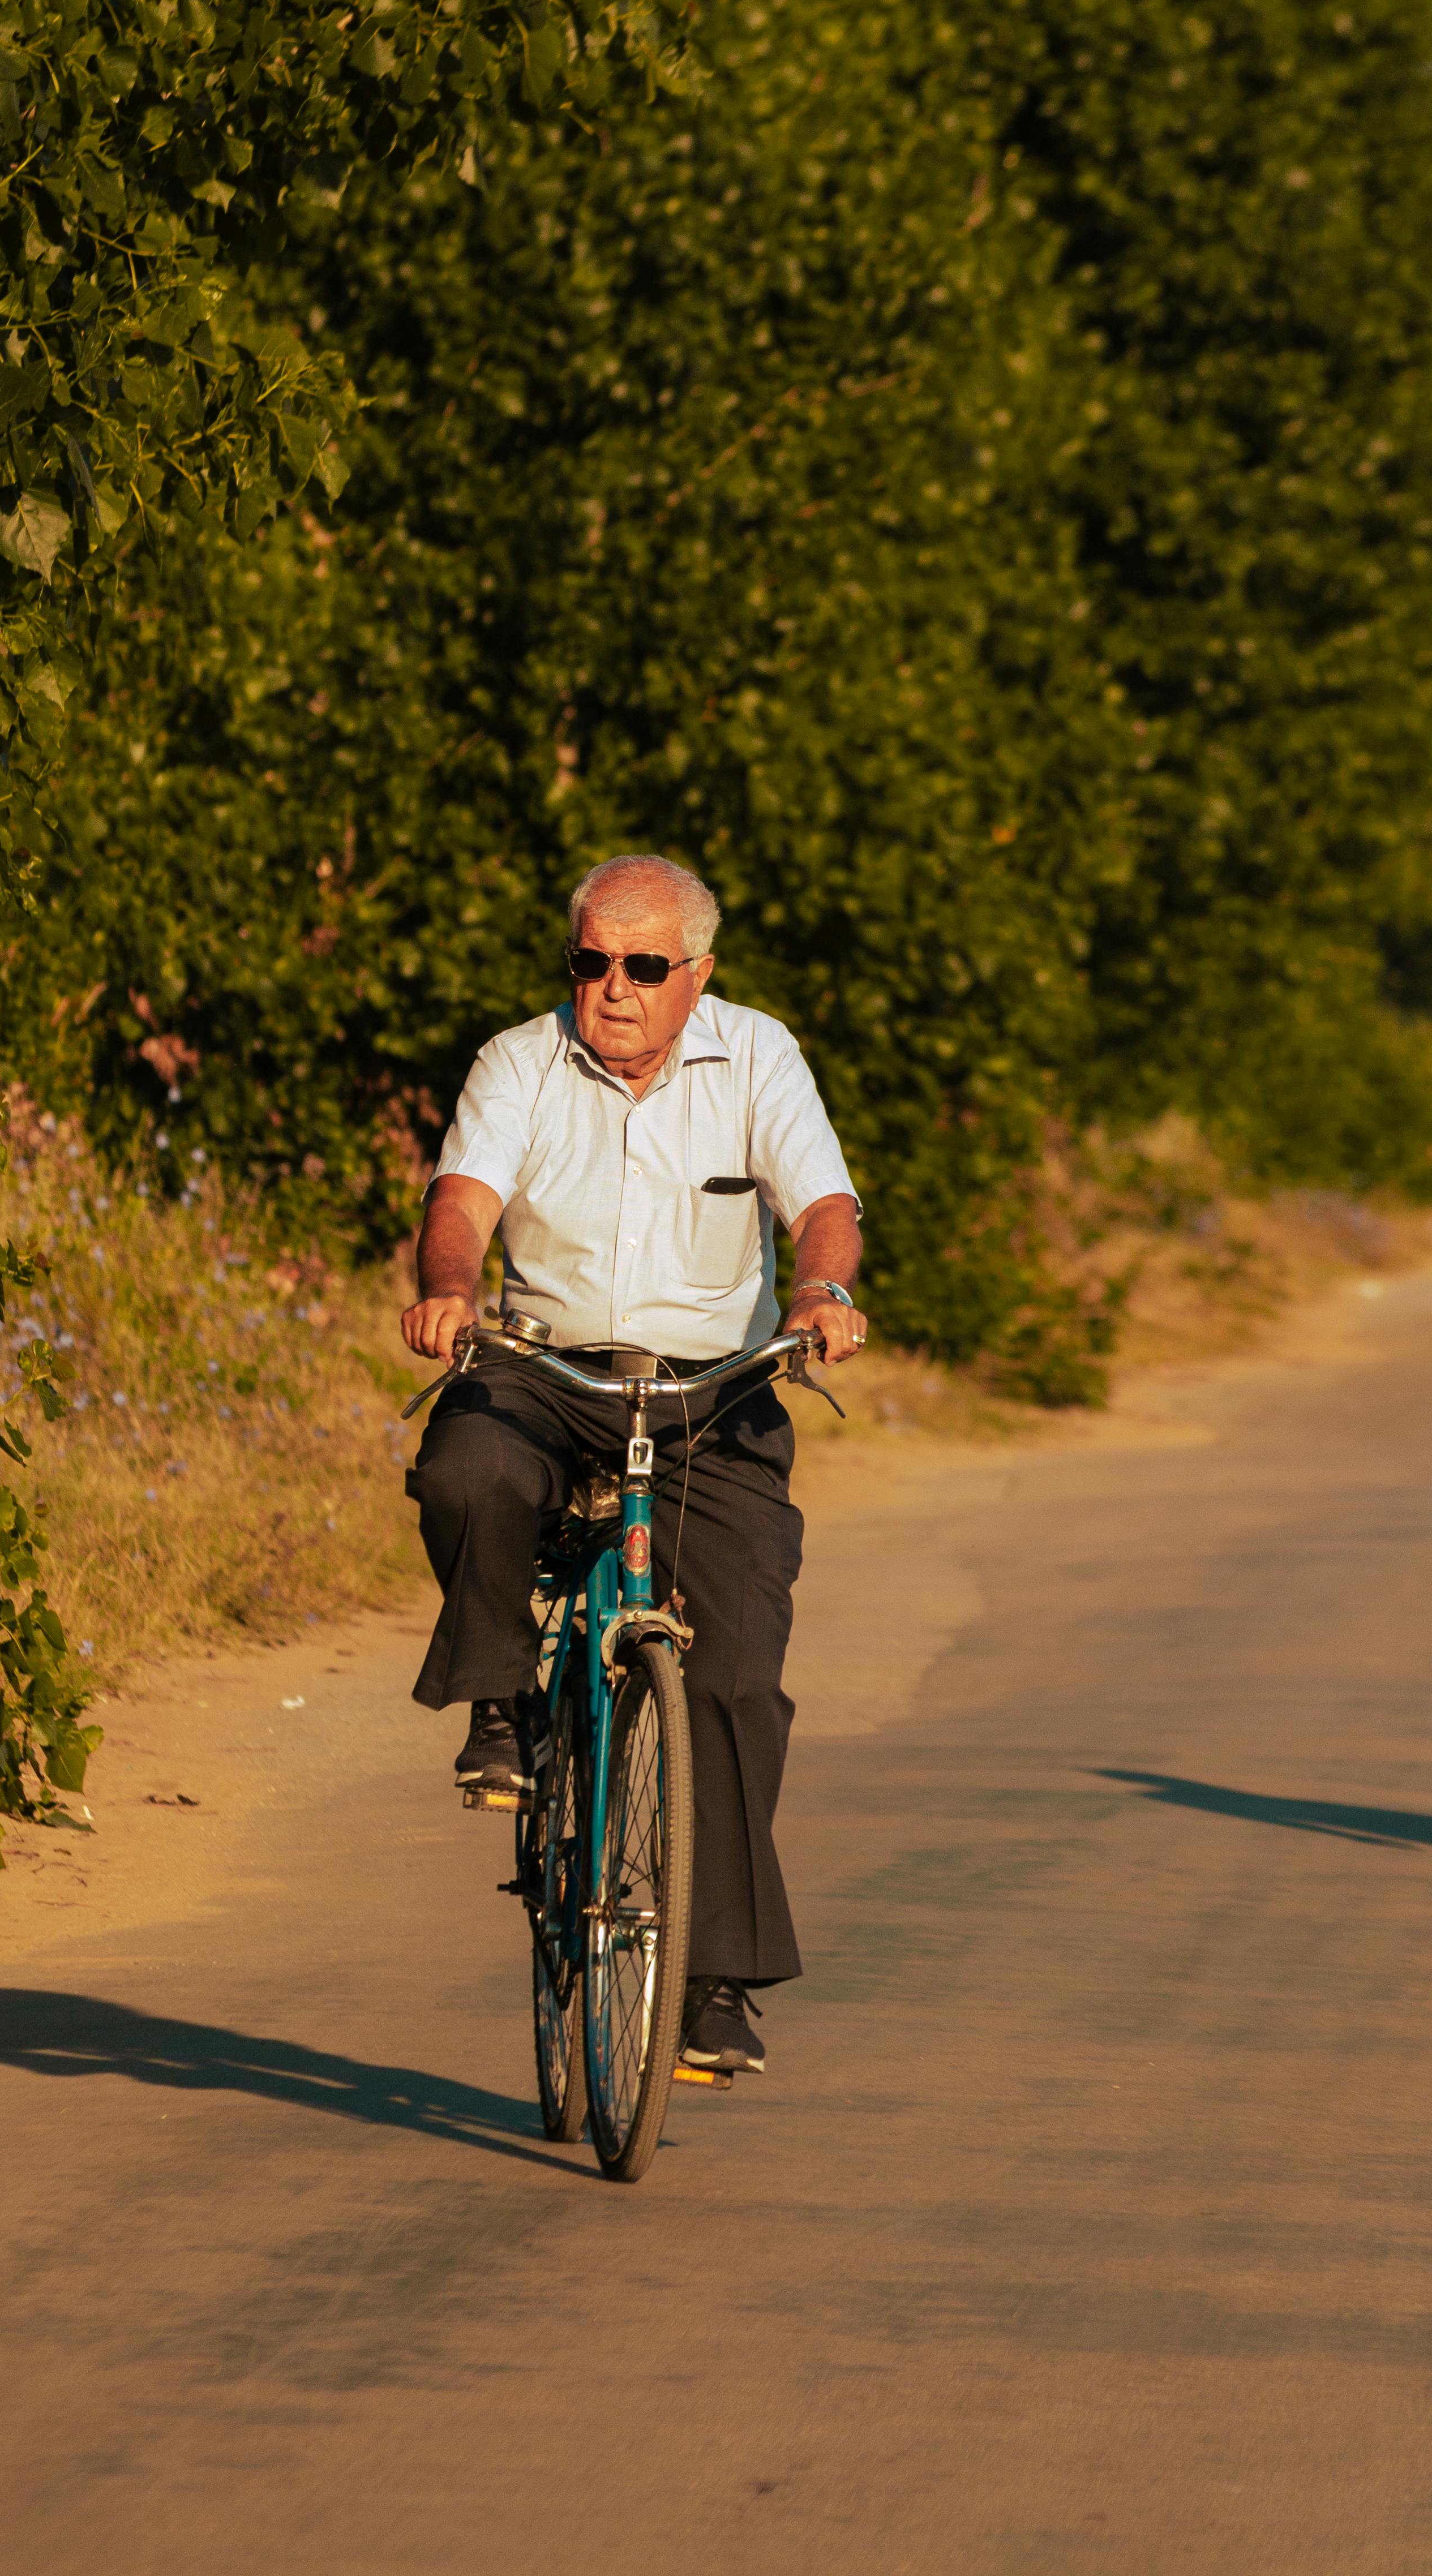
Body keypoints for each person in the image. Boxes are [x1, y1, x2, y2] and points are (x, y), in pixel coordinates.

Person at [399, 852, 867, 2079]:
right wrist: (447, 1290)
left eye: (642, 965)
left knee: (738, 1675)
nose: (611, 987)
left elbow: (823, 1202)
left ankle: (707, 1984)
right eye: (589, 960)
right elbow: (461, 1197)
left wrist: (820, 1288)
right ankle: (500, 1702)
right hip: (547, 1370)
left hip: (713, 1391)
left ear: (694, 975)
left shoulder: (757, 1056)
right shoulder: (519, 1062)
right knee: (467, 1473)